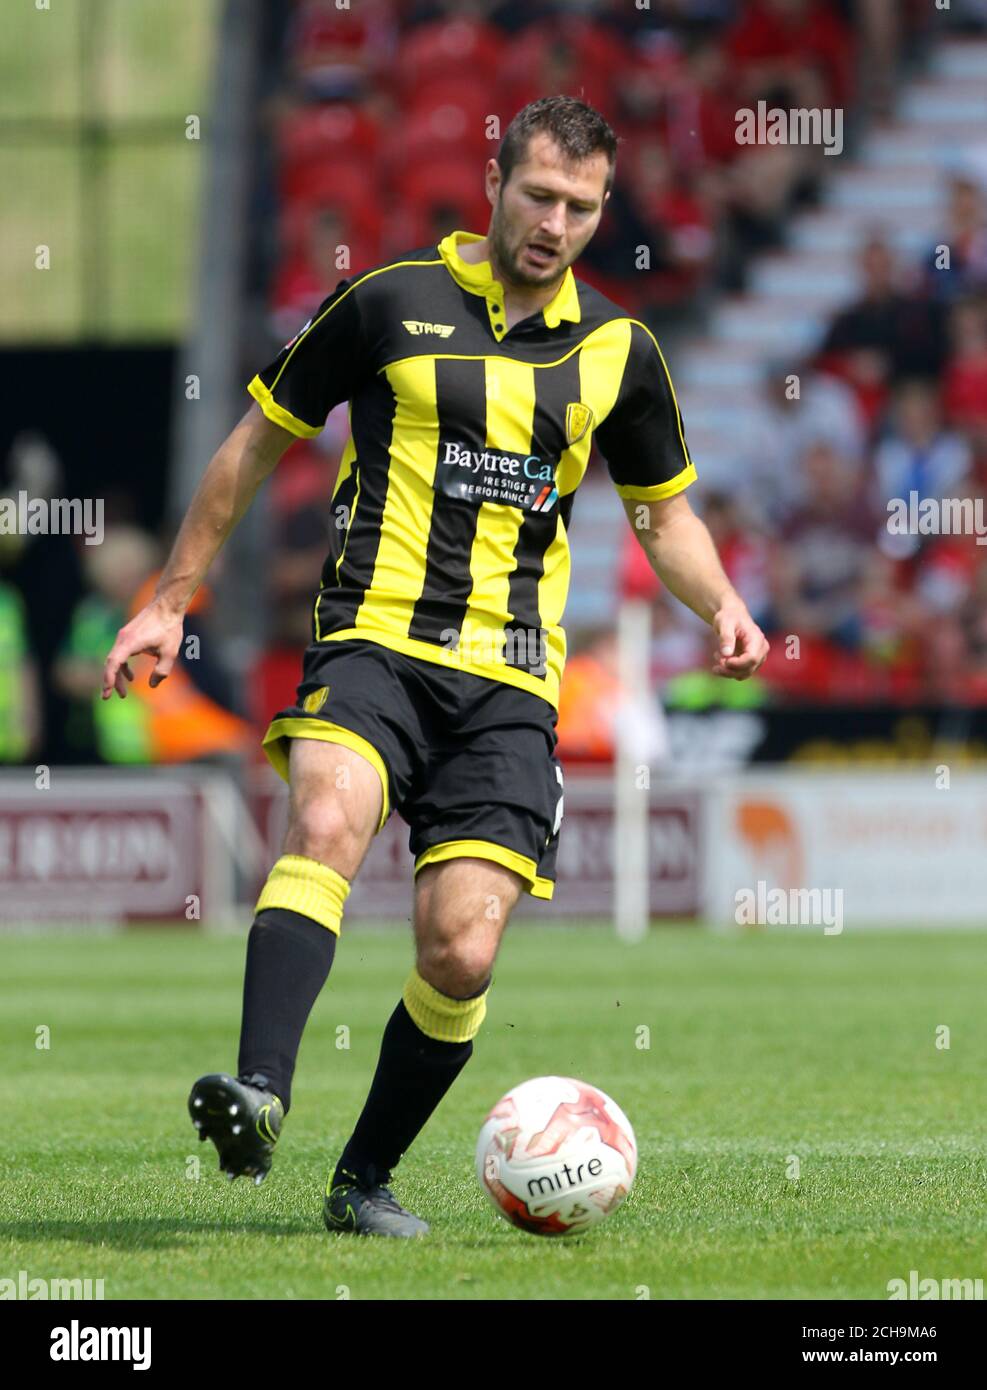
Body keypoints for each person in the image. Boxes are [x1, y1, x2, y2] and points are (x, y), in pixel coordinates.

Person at [102, 96, 768, 1238]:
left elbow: (665, 519)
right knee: (325, 817)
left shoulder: (621, 352)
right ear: (496, 176)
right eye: (540, 194)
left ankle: (361, 1181)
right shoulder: (387, 301)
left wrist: (725, 604)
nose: (556, 221)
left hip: (509, 684)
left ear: (604, 212)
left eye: (581, 206)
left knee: (462, 947)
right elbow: (257, 443)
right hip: (374, 640)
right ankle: (263, 1090)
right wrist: (169, 598)